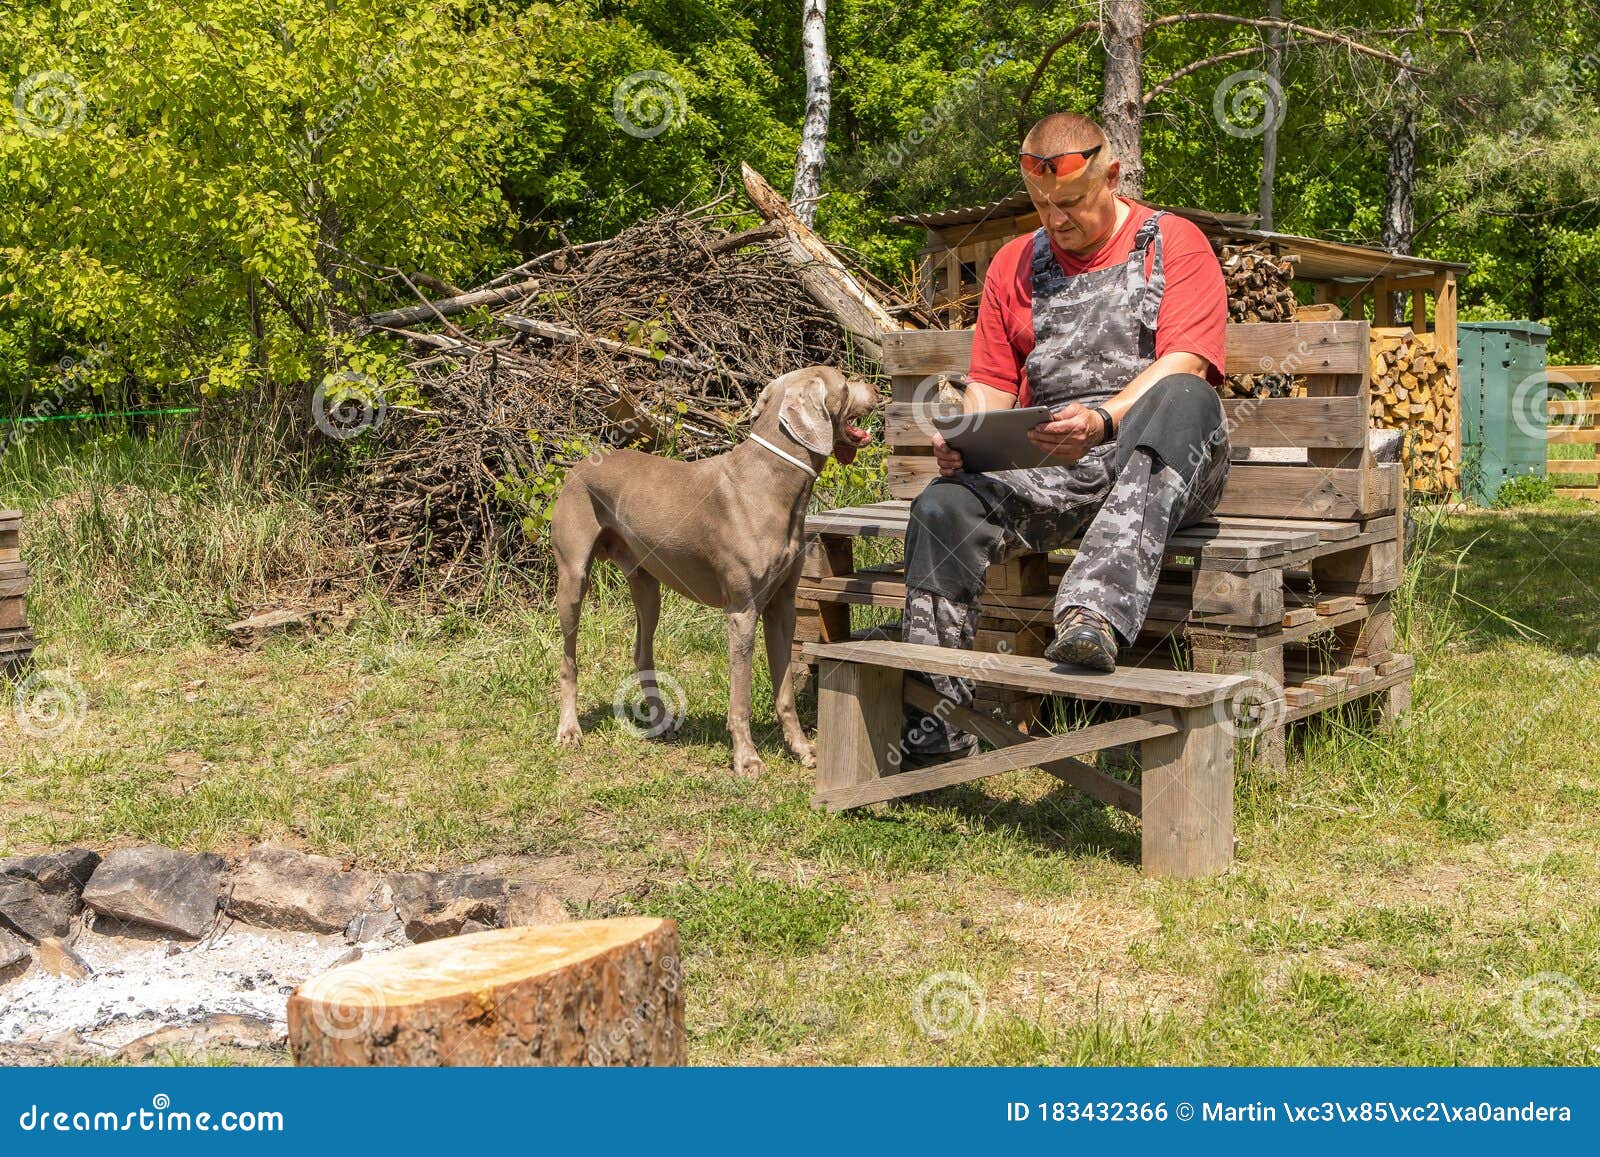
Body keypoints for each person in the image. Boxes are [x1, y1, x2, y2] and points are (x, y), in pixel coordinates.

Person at [900, 110, 1231, 763]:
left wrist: (1104, 419)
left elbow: (1187, 363)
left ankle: (1091, 616)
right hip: (1056, 464)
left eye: (1072, 202)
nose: (1056, 218)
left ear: (1112, 177)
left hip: (1166, 459)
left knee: (1185, 396)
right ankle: (935, 722)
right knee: (942, 507)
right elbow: (993, 381)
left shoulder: (1174, 243)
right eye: (1042, 204)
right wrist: (967, 433)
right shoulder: (1014, 264)